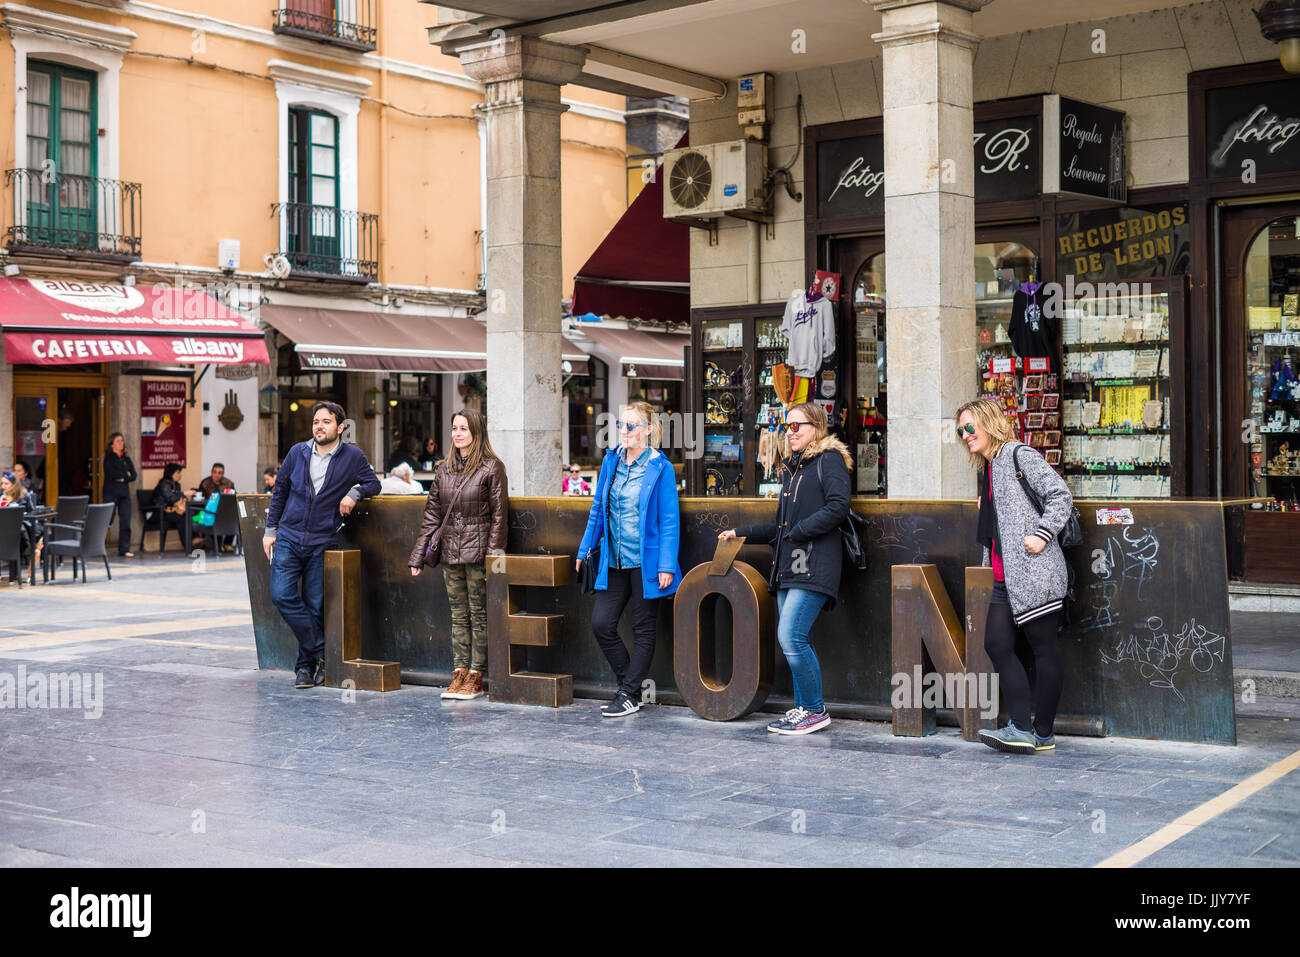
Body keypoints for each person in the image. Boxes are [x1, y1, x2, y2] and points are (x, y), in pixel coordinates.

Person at [719, 401, 851, 736]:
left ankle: (815, 710)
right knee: (795, 637)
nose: (789, 432)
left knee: (791, 635)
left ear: (816, 428)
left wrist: (799, 531)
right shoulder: (793, 469)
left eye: (797, 426)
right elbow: (780, 526)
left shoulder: (829, 460)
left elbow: (839, 507)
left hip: (815, 564)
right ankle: (803, 708)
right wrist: (741, 533)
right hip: (790, 566)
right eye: (786, 426)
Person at [957, 398, 1073, 754]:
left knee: (1043, 648)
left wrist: (1040, 535)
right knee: (996, 644)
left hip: (1036, 573)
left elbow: (1060, 495)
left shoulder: (1019, 455)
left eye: (970, 427)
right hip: (1006, 577)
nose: (965, 435)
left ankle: (1042, 732)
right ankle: (1022, 728)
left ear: (989, 423)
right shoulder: (988, 468)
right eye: (960, 430)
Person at [576, 401, 682, 718]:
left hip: (647, 562)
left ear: (648, 430)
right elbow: (597, 511)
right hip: (614, 560)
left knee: (642, 628)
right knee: (601, 624)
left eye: (631, 425)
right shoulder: (611, 462)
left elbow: (669, 520)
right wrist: (584, 550)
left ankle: (628, 693)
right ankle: (630, 688)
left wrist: (666, 564)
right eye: (621, 425)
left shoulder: (660, 468)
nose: (624, 431)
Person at [265, 401, 381, 689]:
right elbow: (280, 491)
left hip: (322, 540)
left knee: (314, 606)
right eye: (316, 421)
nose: (319, 426)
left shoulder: (352, 456)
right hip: (290, 537)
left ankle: (305, 668)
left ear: (340, 428)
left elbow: (373, 483)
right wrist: (270, 530)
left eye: (326, 422)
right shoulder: (297, 452)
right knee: (281, 595)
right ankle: (320, 650)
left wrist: (354, 493)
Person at [409, 409, 508, 701]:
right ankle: (459, 671)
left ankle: (476, 675)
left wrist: (493, 559)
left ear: (476, 432)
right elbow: (432, 516)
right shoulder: (444, 469)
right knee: (458, 614)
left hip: (479, 552)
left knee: (479, 614)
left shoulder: (492, 467)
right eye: (454, 428)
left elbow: (500, 517)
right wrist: (417, 556)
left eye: (464, 428)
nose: (458, 434)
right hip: (451, 549)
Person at [102, 433, 137, 559]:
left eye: (122, 441)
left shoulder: (126, 459)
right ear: (112, 445)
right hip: (110, 492)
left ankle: (124, 549)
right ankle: (97, 545)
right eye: (118, 441)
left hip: (124, 493)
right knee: (107, 519)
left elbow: (133, 475)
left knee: (125, 521)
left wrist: (124, 477)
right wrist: (125, 475)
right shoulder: (109, 458)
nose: (121, 443)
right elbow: (113, 474)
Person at [149, 463, 191, 552]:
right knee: (181, 518)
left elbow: (177, 499)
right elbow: (170, 498)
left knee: (188, 515)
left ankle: (193, 541)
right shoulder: (164, 483)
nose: (180, 475)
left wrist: (183, 498)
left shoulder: (177, 485)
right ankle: (187, 545)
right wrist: (184, 494)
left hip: (170, 512)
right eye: (178, 473)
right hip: (159, 512)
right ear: (170, 473)